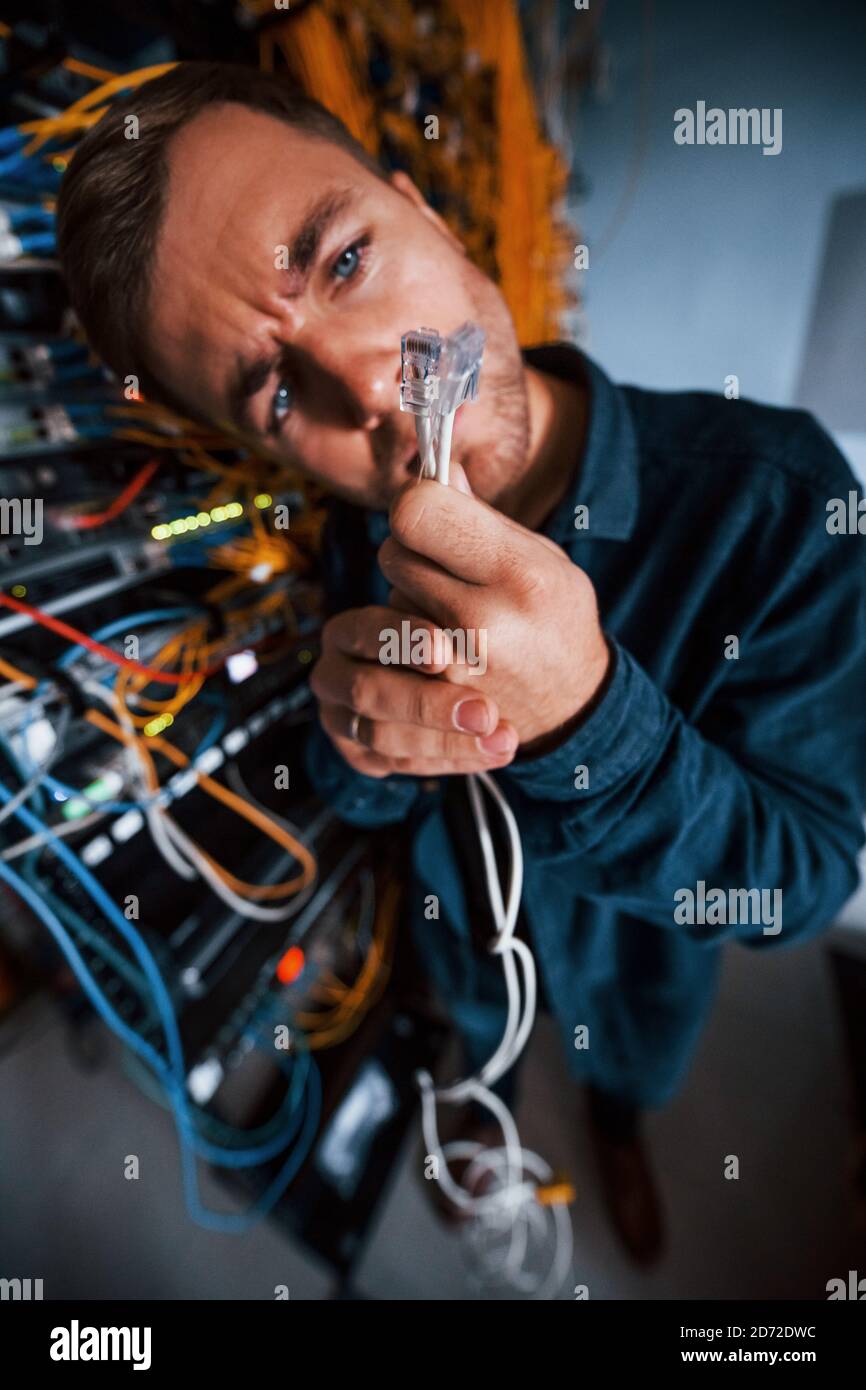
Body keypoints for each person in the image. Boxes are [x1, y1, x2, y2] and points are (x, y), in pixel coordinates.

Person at [56, 61, 866, 1265]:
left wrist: (587, 725)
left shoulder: (782, 501)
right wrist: (359, 742)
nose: (375, 387)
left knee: (625, 1069)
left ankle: (619, 1130)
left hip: (646, 969)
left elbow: (804, 877)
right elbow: (365, 799)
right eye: (278, 389)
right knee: (480, 1050)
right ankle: (490, 1116)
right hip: (468, 965)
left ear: (422, 212)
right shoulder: (352, 548)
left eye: (341, 261)